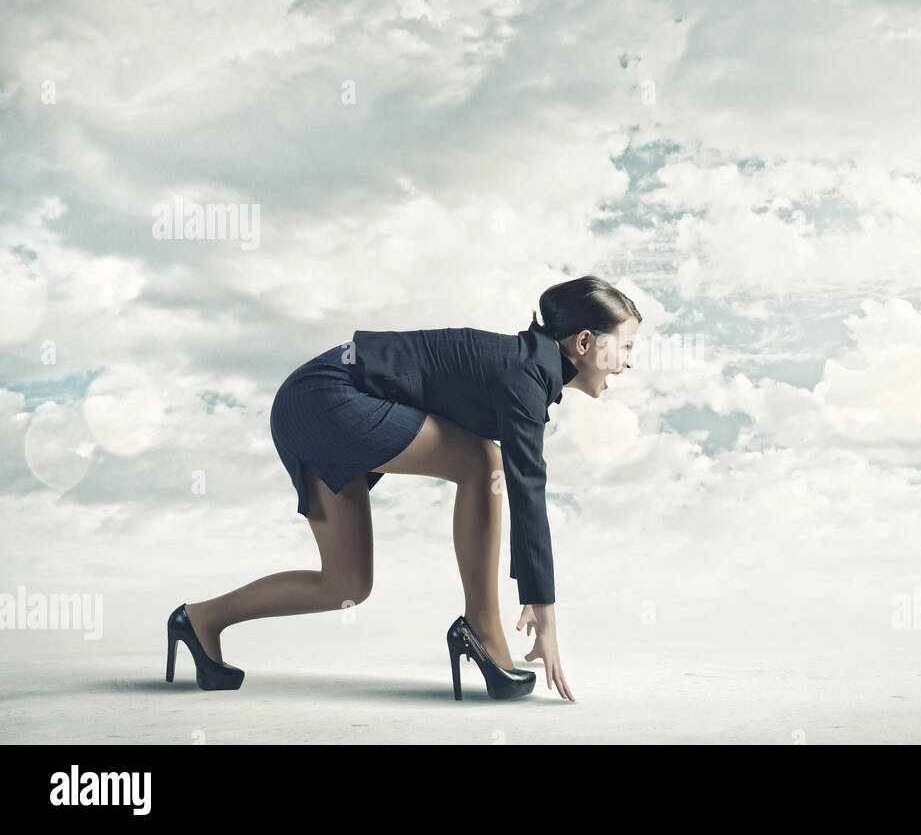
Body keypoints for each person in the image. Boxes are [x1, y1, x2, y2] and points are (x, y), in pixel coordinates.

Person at [165, 276, 641, 702]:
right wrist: (546, 614)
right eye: (626, 347)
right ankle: (482, 630)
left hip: (308, 405)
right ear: (584, 341)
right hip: (327, 395)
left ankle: (200, 620)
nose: (628, 363)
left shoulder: (526, 371)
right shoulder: (524, 376)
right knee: (483, 460)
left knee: (346, 584)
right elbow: (527, 490)